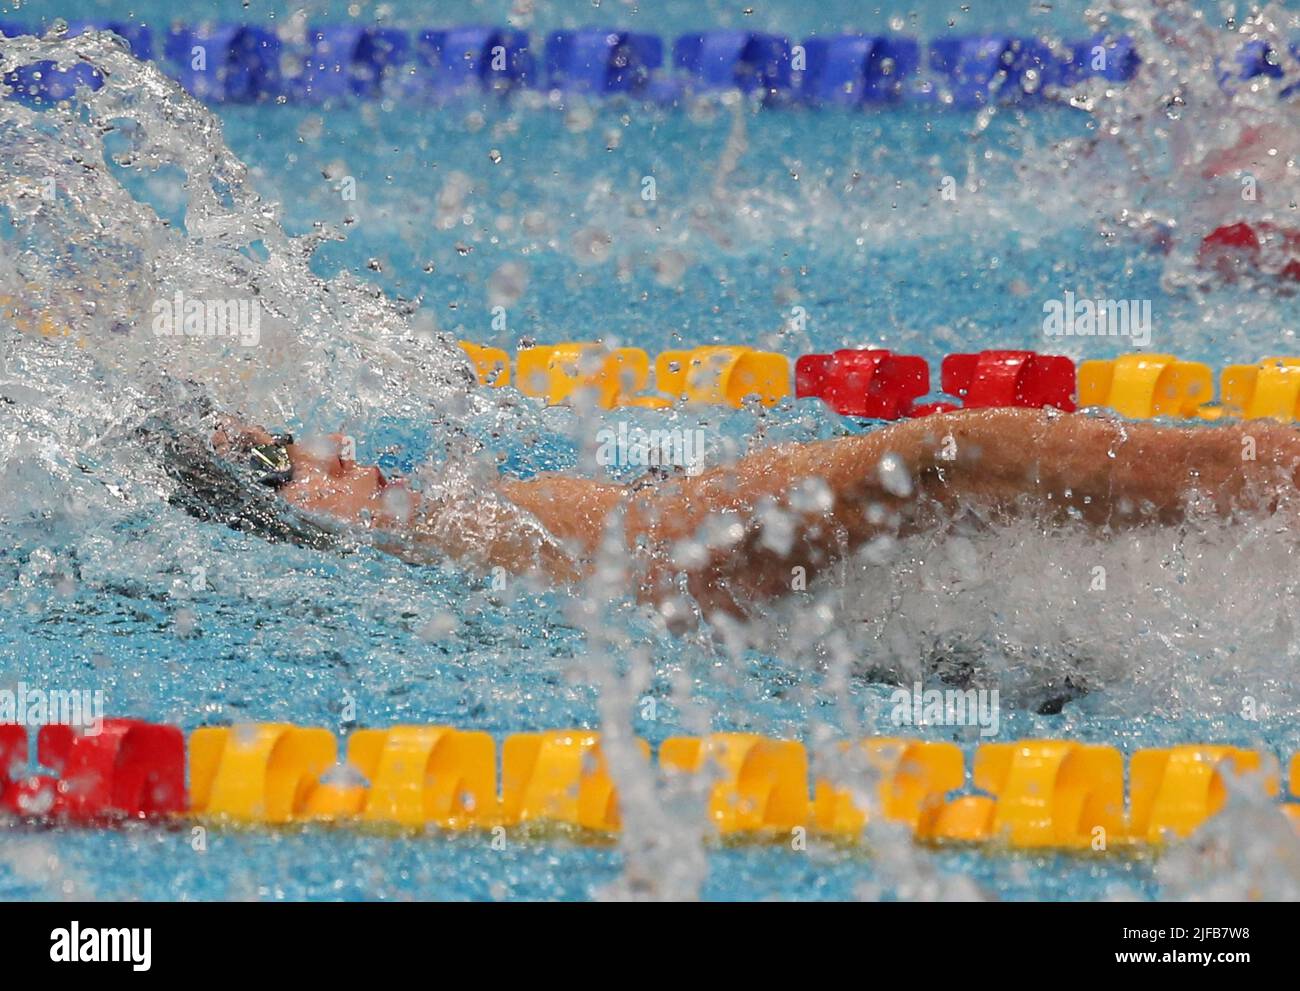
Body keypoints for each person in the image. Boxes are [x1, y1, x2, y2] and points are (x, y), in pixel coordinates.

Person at [201, 406, 1300, 620]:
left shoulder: (458, 529)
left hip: (688, 548)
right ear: (284, 516)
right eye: (278, 459)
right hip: (687, 560)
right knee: (963, 451)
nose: (327, 445)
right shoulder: (446, 540)